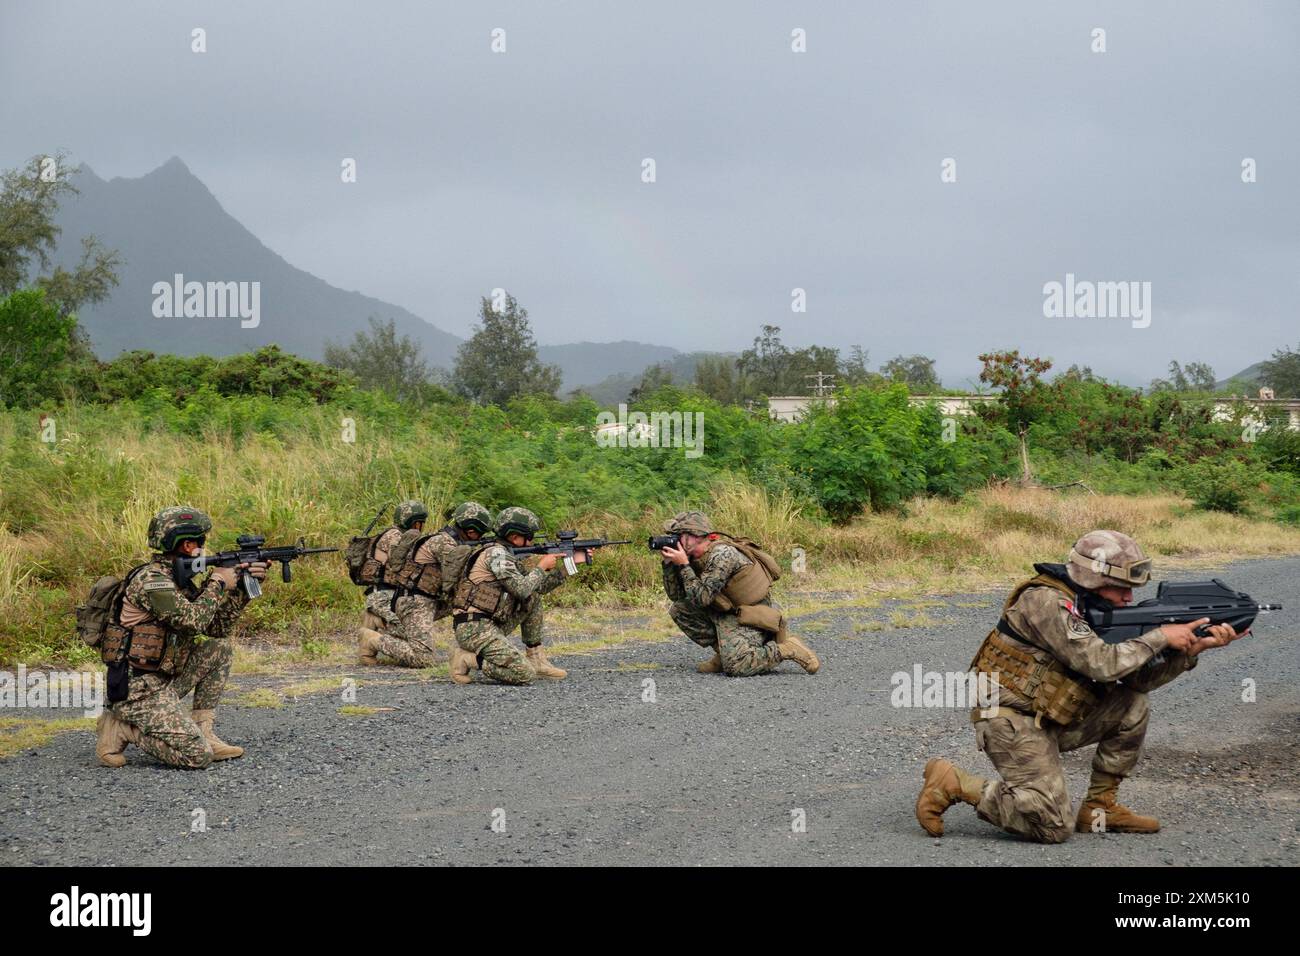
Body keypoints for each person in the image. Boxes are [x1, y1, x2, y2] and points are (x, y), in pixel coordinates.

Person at [914, 530, 1245, 843]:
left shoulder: (1093, 606)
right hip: (1011, 721)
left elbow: (1137, 680)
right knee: (1052, 825)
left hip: (1050, 715)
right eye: (1121, 588)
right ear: (1094, 580)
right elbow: (1101, 664)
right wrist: (1160, 637)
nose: (1128, 597)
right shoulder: (1045, 600)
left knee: (1131, 703)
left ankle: (1100, 808)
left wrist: (1187, 653)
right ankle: (957, 783)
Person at [94, 506, 269, 768]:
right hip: (137, 691)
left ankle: (204, 731)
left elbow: (215, 629)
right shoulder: (152, 581)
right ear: (188, 545)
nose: (204, 547)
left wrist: (241, 590)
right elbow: (192, 621)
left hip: (163, 680)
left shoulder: (179, 580)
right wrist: (218, 583)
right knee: (197, 756)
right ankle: (123, 727)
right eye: (201, 542)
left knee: (217, 649)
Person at [659, 511, 819, 676]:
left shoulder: (723, 555)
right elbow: (677, 596)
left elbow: (702, 598)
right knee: (680, 609)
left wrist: (684, 566)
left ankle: (787, 648)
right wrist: (669, 564)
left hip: (750, 615)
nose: (674, 540)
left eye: (679, 535)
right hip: (725, 611)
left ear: (697, 535)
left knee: (736, 666)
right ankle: (725, 652)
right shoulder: (692, 557)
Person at [448, 507, 584, 685]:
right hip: (475, 628)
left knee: (533, 598)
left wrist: (569, 567)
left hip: (490, 623)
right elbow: (521, 589)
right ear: (514, 536)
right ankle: (466, 659)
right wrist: (541, 567)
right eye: (528, 537)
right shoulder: (496, 554)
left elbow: (538, 587)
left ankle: (536, 658)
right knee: (524, 674)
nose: (530, 542)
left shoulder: (506, 555)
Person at [369, 501, 495, 667]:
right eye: (480, 534)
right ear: (471, 531)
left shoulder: (448, 540)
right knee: (424, 659)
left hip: (426, 600)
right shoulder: (444, 543)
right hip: (416, 602)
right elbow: (461, 575)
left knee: (473, 601)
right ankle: (372, 640)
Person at [357, 499, 427, 666]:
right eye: (420, 523)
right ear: (414, 523)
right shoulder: (395, 537)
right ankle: (374, 630)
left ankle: (374, 628)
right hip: (384, 596)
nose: (421, 527)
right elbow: (408, 564)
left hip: (387, 595)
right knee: (416, 635)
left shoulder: (395, 535)